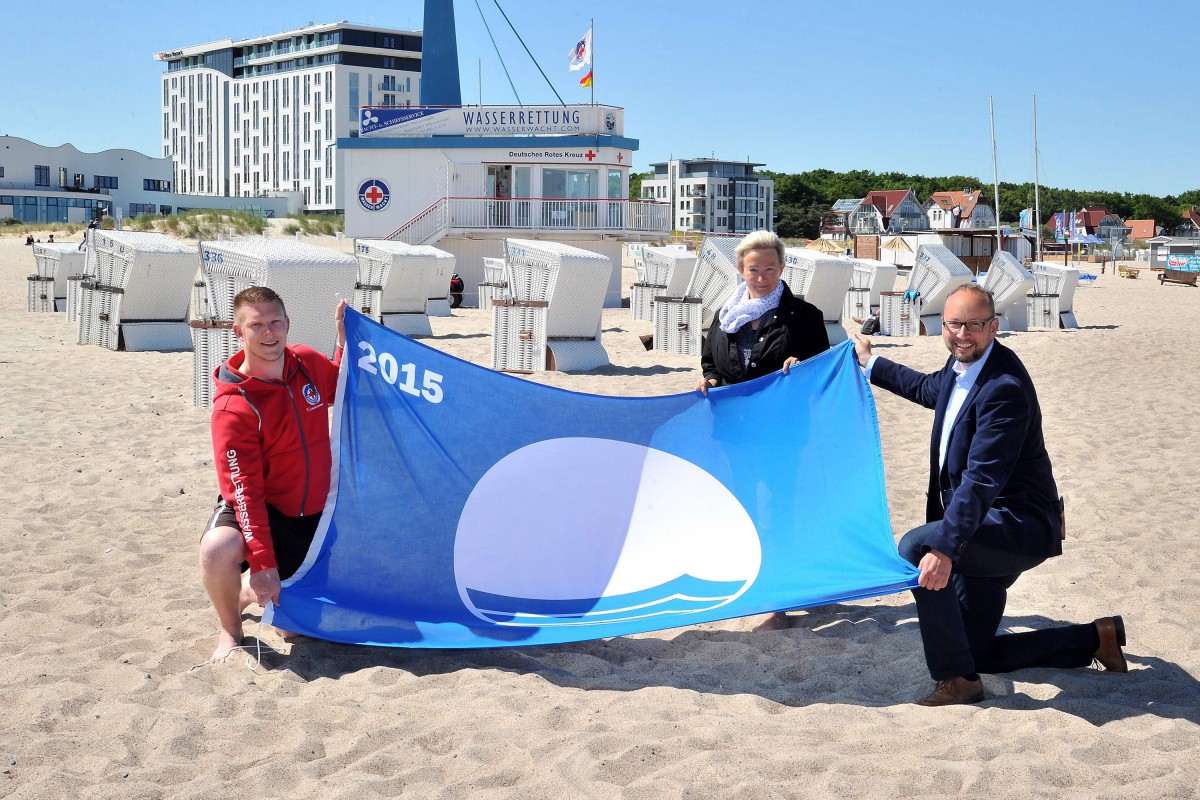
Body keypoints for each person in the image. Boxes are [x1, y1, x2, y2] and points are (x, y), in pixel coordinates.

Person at [851, 284, 1127, 706]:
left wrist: (945, 548)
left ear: (993, 326)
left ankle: (958, 682)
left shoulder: (1003, 387)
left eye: (974, 326)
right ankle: (1096, 637)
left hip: (1016, 525)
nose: (962, 334)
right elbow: (930, 390)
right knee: (978, 652)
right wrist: (871, 364)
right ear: (941, 325)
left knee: (916, 546)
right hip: (982, 525)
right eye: (953, 324)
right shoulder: (964, 364)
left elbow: (983, 478)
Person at [198, 286, 347, 663]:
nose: (269, 332)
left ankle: (250, 591)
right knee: (217, 549)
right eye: (257, 325)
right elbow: (244, 492)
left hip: (313, 515)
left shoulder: (307, 363)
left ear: (287, 323)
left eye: (275, 322)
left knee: (293, 630)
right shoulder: (234, 407)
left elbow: (342, 388)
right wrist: (263, 562)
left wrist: (345, 342)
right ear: (238, 332)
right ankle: (231, 629)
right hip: (263, 511)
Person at [694, 229, 830, 632]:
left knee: (777, 511)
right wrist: (710, 380)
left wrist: (800, 368)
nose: (762, 276)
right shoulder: (725, 315)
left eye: (770, 268)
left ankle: (778, 601)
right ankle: (754, 582)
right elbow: (710, 362)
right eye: (754, 269)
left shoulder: (804, 316)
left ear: (782, 268)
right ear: (741, 270)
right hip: (735, 431)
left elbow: (822, 371)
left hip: (781, 433)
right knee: (746, 510)